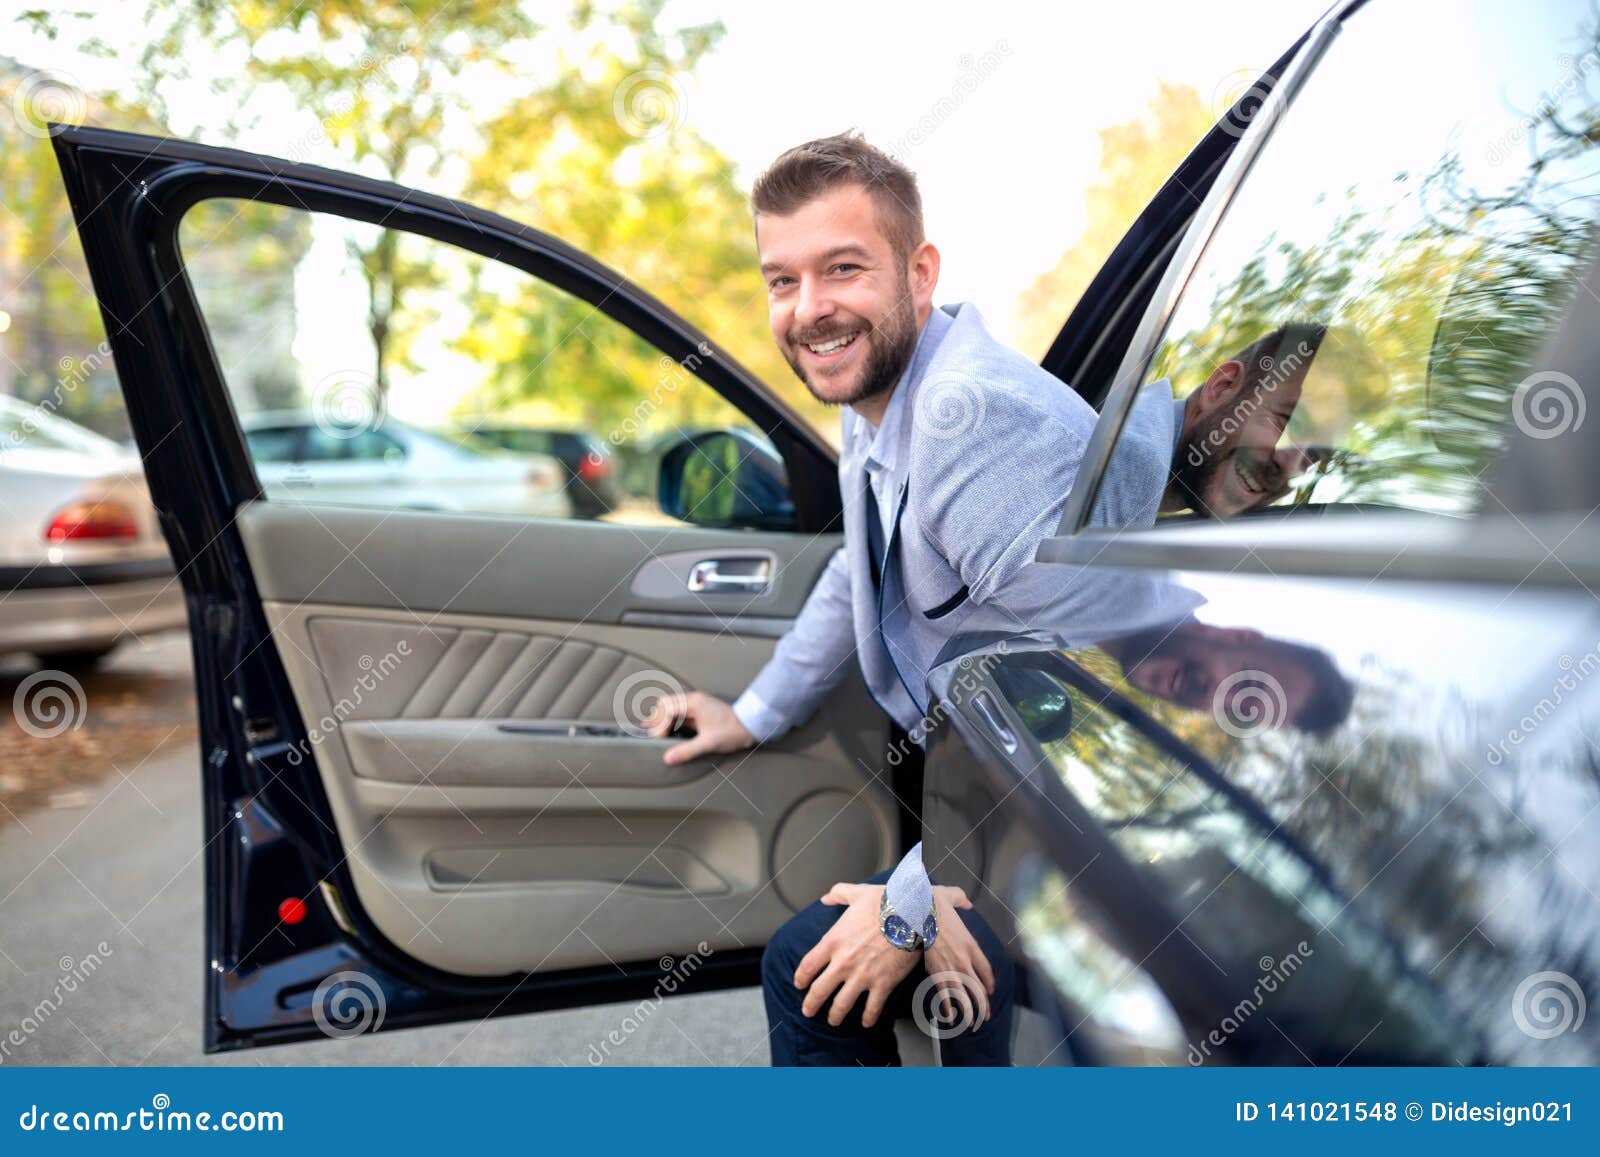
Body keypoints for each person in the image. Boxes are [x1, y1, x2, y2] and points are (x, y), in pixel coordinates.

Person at [643, 132, 1190, 1065]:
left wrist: (913, 901)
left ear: (919, 271)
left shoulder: (974, 422)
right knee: (852, 970)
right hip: (1011, 784)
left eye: (842, 269)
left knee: (818, 970)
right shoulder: (884, 394)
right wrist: (757, 711)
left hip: (1117, 833)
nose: (809, 310)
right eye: (783, 280)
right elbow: (858, 571)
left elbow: (1072, 703)